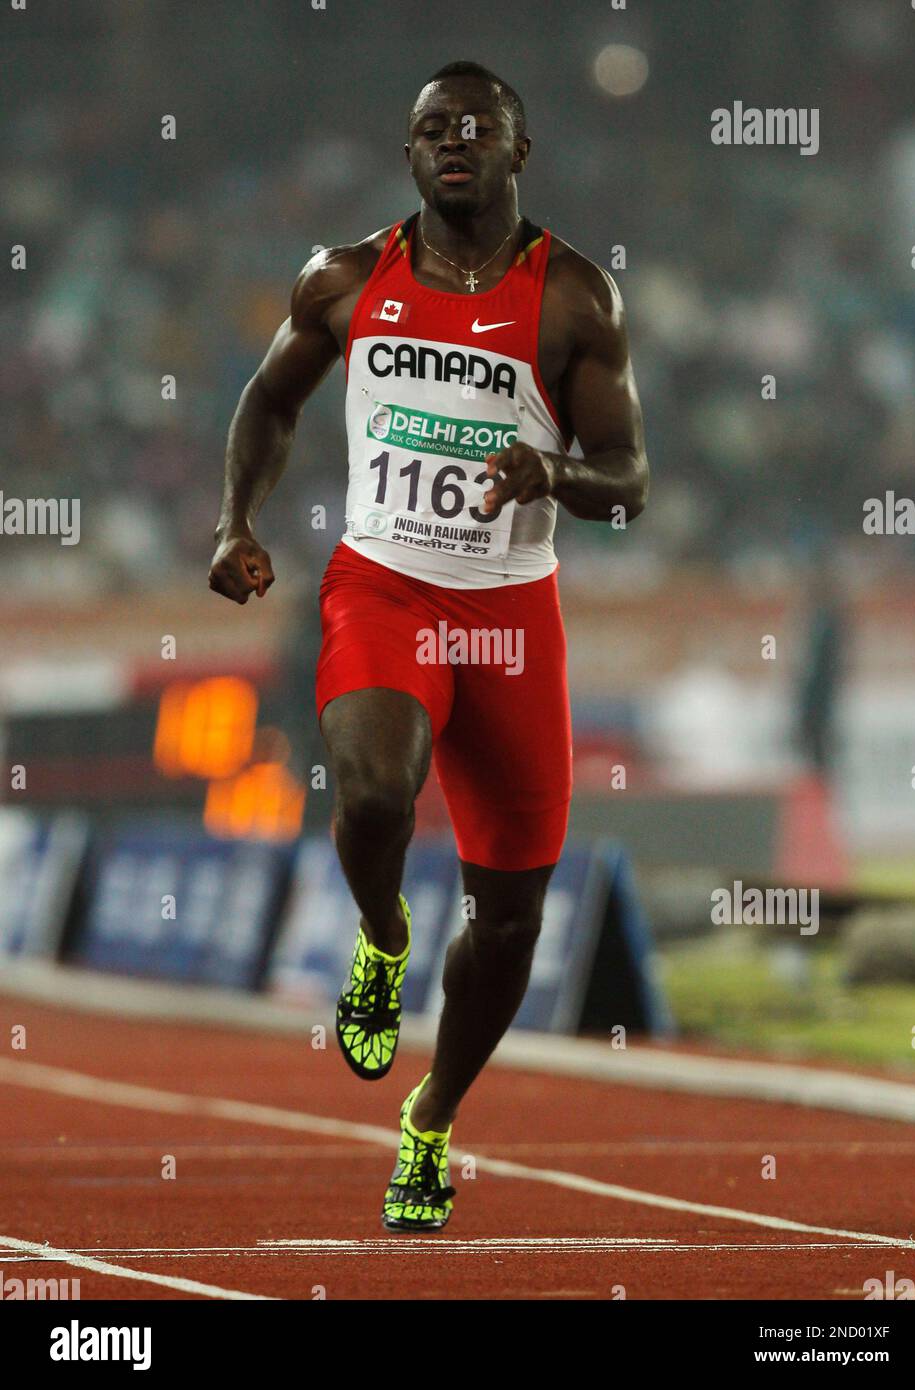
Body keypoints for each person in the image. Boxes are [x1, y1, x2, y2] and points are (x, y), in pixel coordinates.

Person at [209, 61, 648, 1231]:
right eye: (431, 128)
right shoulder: (345, 279)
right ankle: (384, 936)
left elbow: (631, 477)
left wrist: (551, 469)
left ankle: (431, 1120)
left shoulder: (574, 300)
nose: (454, 140)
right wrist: (234, 520)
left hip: (512, 618)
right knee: (368, 794)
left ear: (520, 149)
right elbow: (270, 401)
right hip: (386, 588)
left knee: (509, 918)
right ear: (408, 154)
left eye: (478, 126)